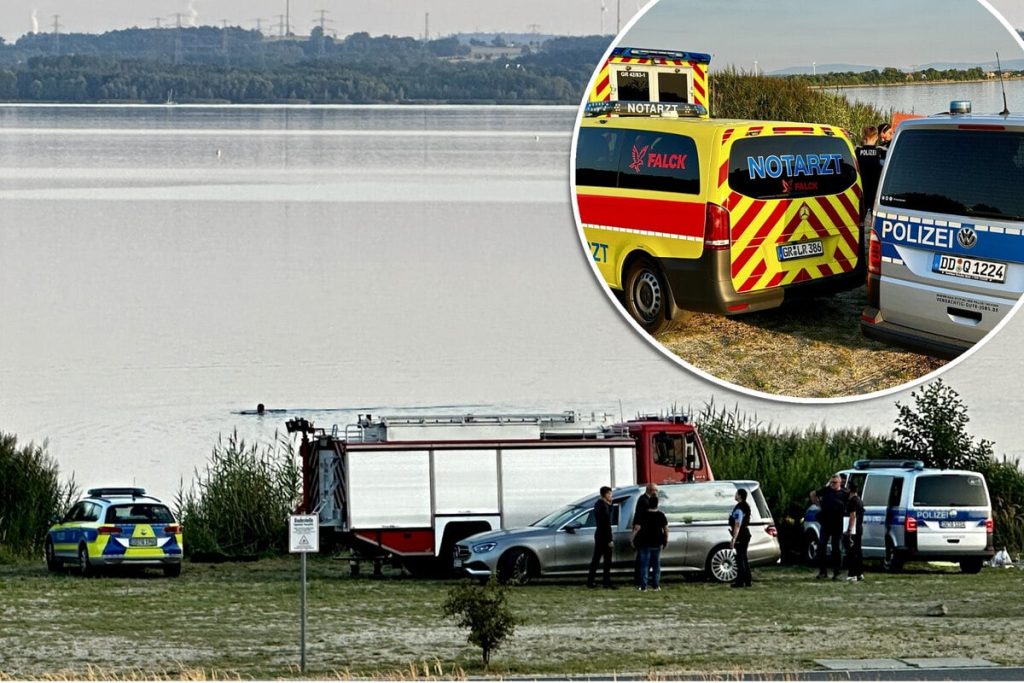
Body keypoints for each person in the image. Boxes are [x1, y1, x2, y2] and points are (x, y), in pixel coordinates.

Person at [810, 474, 848, 580]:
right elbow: (813, 494)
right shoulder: (826, 491)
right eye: (831, 482)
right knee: (822, 546)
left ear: (840, 482)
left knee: (836, 548)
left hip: (837, 524)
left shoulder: (844, 493)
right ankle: (823, 571)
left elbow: (850, 502)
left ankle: (837, 572)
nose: (832, 484)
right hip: (826, 523)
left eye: (835, 482)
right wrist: (818, 504)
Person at [632, 494, 668, 591]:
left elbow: (637, 528)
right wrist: (665, 540)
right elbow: (665, 529)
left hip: (645, 543)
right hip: (657, 542)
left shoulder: (643, 514)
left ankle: (643, 586)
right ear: (657, 504)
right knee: (656, 565)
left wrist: (632, 538)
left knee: (644, 565)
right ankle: (656, 586)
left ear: (649, 503)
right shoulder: (661, 515)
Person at [587, 486, 615, 589]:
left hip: (599, 534)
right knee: (607, 560)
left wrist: (610, 505)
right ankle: (606, 582)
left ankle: (591, 581)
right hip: (604, 535)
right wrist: (609, 539)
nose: (611, 496)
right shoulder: (603, 507)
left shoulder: (598, 504)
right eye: (610, 494)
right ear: (606, 494)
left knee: (596, 559)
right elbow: (607, 523)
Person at [633, 483, 659, 587]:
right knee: (643, 559)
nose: (656, 492)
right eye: (655, 490)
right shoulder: (644, 501)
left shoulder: (643, 499)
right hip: (644, 532)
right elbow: (641, 516)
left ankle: (642, 579)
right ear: (650, 490)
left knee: (643, 558)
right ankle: (641, 579)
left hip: (643, 532)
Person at [855, 126, 883, 220]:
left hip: (861, 190)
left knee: (860, 221)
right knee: (875, 222)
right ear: (876, 137)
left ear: (864, 137)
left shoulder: (857, 151)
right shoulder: (881, 152)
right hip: (876, 191)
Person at [729, 488, 753, 588]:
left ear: (739, 495)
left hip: (741, 534)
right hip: (745, 533)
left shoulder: (739, 508)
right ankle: (747, 580)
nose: (735, 495)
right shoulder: (746, 506)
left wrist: (734, 538)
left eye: (736, 493)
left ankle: (740, 581)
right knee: (744, 557)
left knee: (740, 558)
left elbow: (737, 524)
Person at [845, 482, 865, 582]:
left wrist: (849, 529)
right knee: (858, 550)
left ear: (849, 489)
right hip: (859, 528)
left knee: (851, 552)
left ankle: (852, 574)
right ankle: (860, 573)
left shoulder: (852, 501)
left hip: (854, 529)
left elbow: (852, 516)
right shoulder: (860, 500)